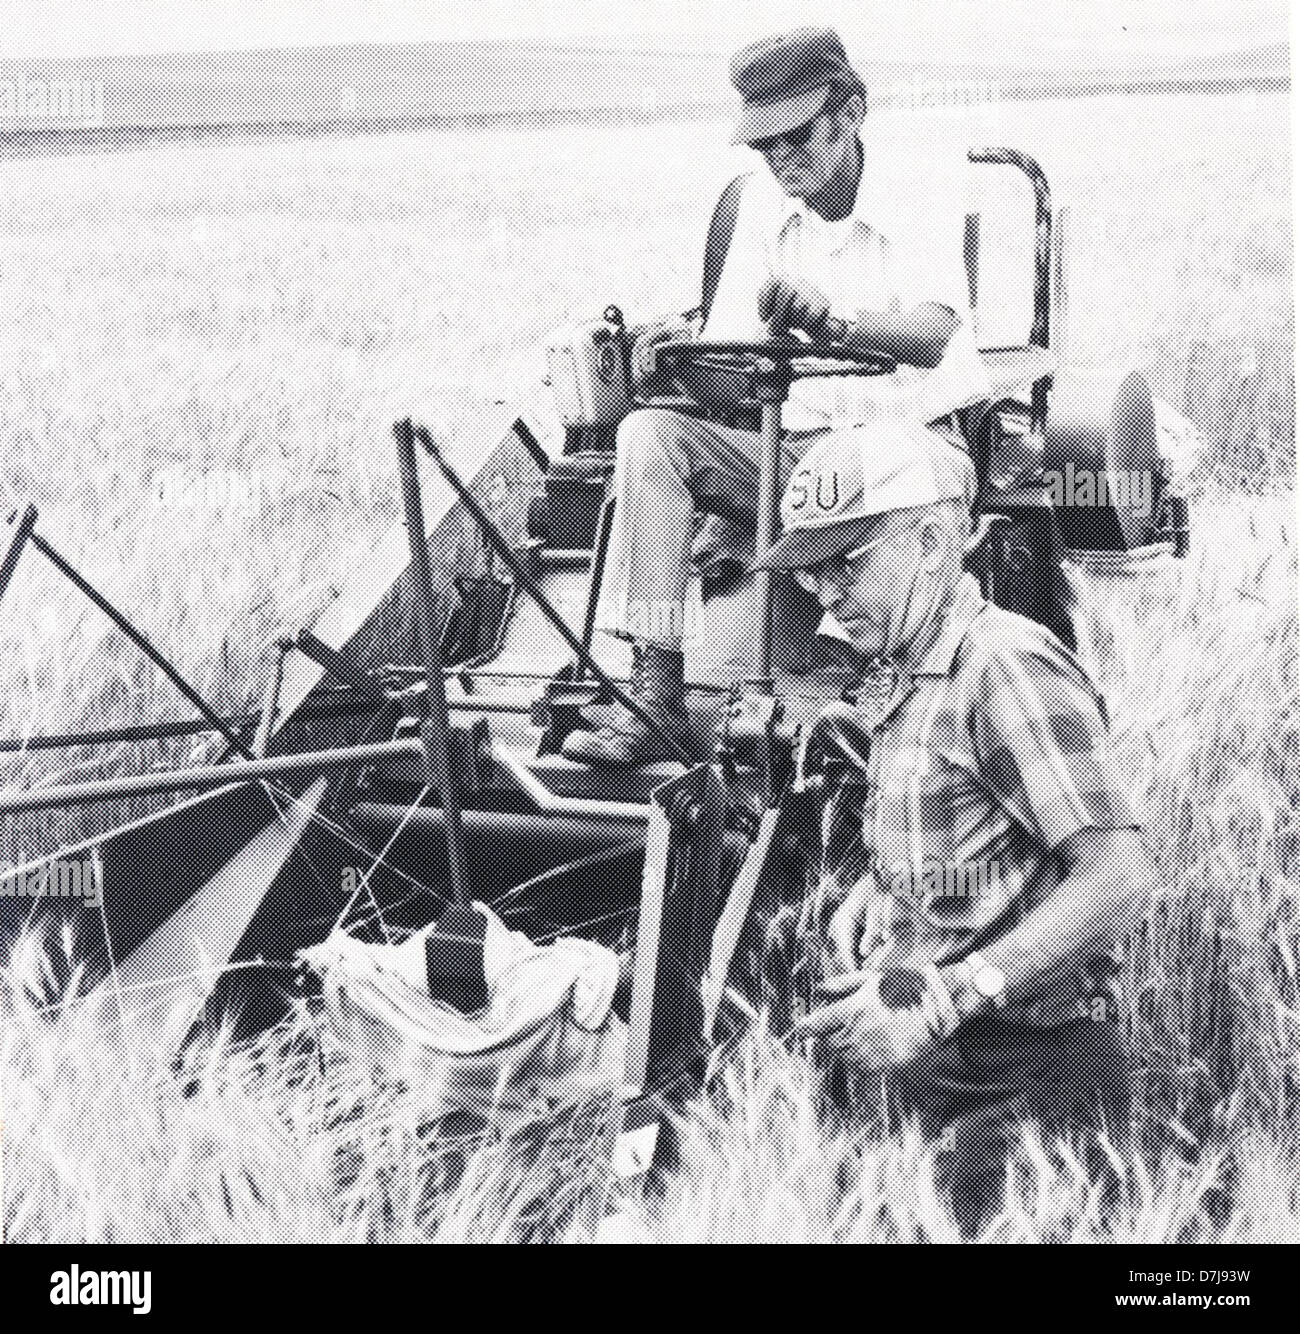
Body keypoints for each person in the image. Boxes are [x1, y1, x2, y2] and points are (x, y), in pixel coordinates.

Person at [749, 429, 1154, 1237]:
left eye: (847, 563)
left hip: (1032, 1078)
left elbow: (1120, 877)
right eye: (809, 569)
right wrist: (886, 888)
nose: (823, 591)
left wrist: (947, 996)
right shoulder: (909, 676)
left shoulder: (1004, 666)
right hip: (940, 1076)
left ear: (931, 544)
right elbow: (979, 834)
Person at [562, 26, 990, 765]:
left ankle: (874, 689)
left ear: (850, 113)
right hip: (796, 457)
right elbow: (732, 366)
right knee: (648, 438)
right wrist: (670, 365)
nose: (782, 157)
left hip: (911, 458)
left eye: (797, 134)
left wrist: (834, 322)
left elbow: (927, 338)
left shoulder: (921, 188)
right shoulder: (764, 206)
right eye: (765, 143)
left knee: (846, 476)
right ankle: (657, 687)